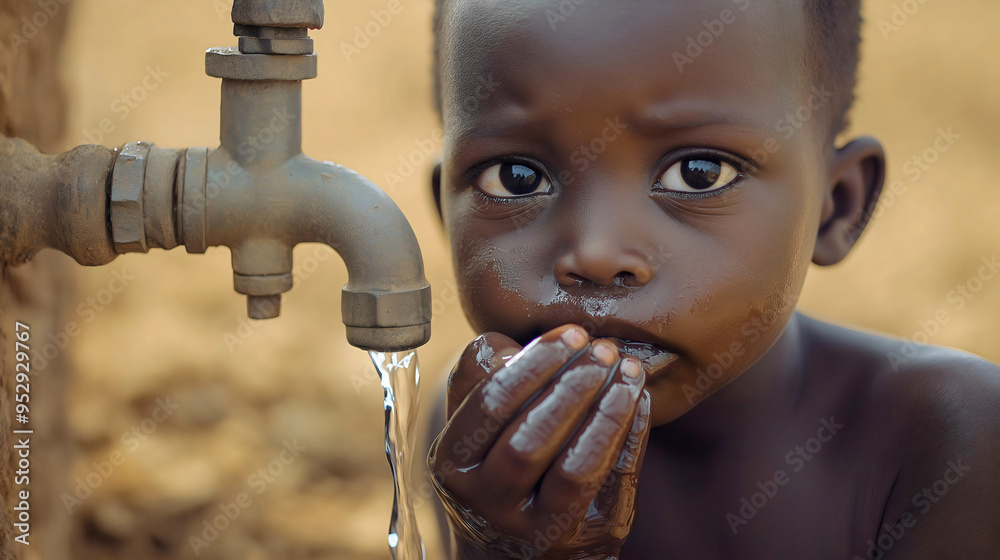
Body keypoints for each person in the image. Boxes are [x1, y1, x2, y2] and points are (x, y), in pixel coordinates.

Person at [423, 1, 1000, 558]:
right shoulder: (479, 437)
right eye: (517, 179)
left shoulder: (944, 441)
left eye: (698, 174)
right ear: (447, 214)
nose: (595, 254)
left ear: (835, 205)